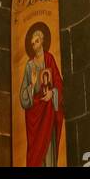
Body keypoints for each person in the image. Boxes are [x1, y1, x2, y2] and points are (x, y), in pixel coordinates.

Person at [19, 23, 64, 166]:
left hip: (48, 112)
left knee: (49, 148)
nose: (34, 45)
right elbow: (23, 98)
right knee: (36, 152)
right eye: (32, 43)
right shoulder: (29, 66)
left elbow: (58, 82)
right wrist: (32, 85)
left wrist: (52, 93)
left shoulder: (49, 59)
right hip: (35, 115)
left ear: (42, 41)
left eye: (36, 41)